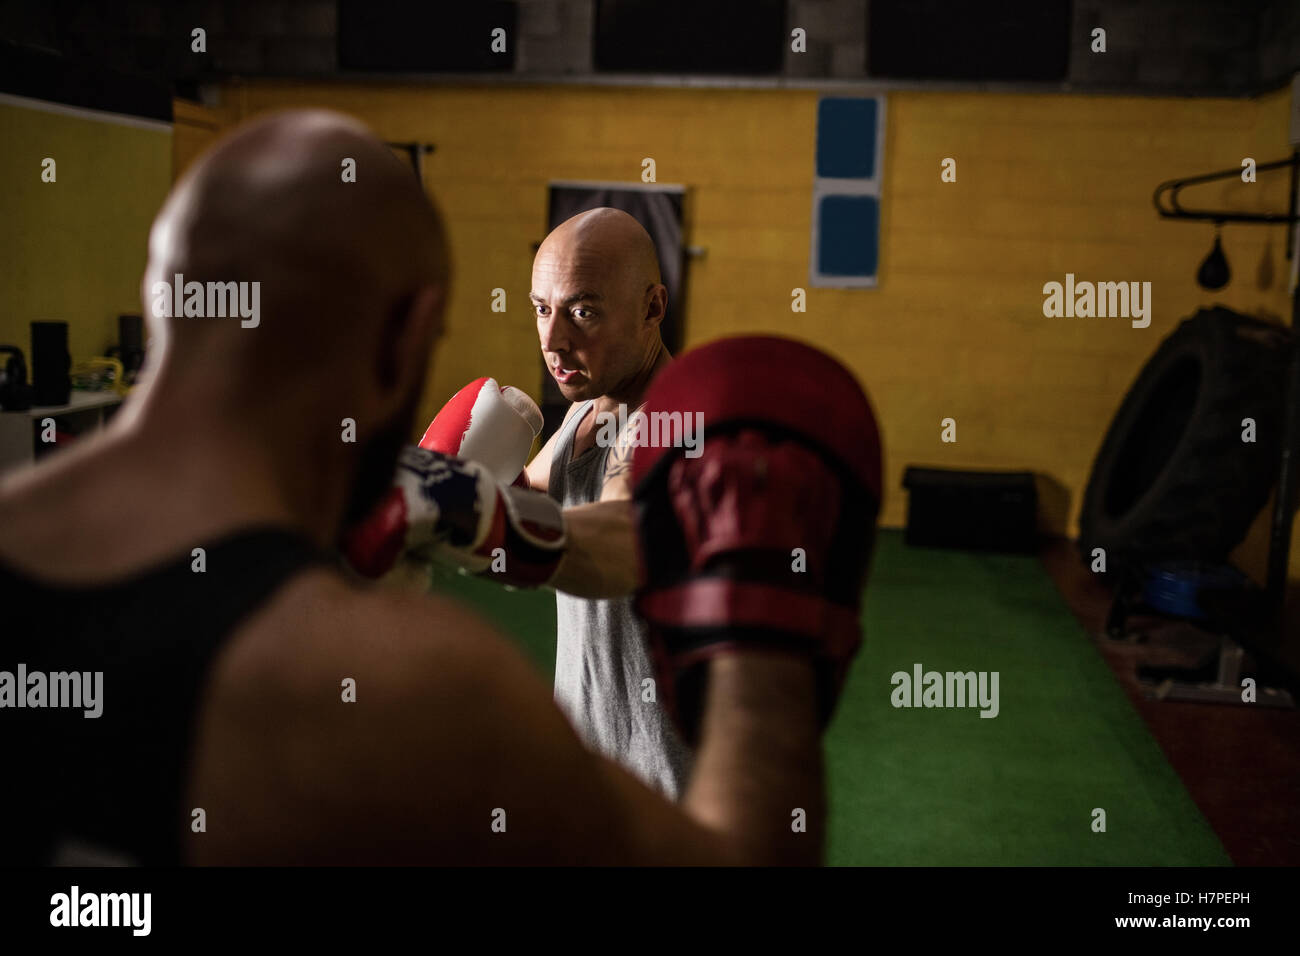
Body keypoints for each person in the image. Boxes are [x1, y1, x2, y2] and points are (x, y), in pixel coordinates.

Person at [0, 109, 878, 866]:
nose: (555, 337)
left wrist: (471, 513)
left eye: (582, 309)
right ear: (408, 337)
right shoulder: (423, 691)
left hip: (657, 760)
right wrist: (766, 655)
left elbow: (601, 530)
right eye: (541, 310)